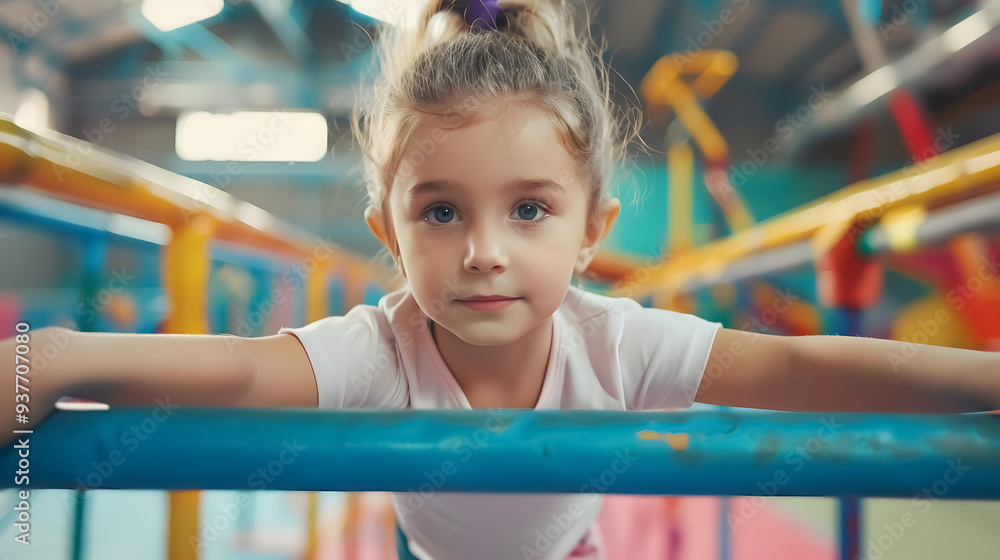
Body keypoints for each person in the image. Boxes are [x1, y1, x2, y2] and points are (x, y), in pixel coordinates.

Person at [2, 0, 998, 559]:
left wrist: (983, 379)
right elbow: (232, 368)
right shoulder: (379, 345)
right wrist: (46, 360)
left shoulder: (617, 338)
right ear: (386, 234)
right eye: (440, 211)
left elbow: (792, 369)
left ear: (590, 232)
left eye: (528, 210)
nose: (483, 249)